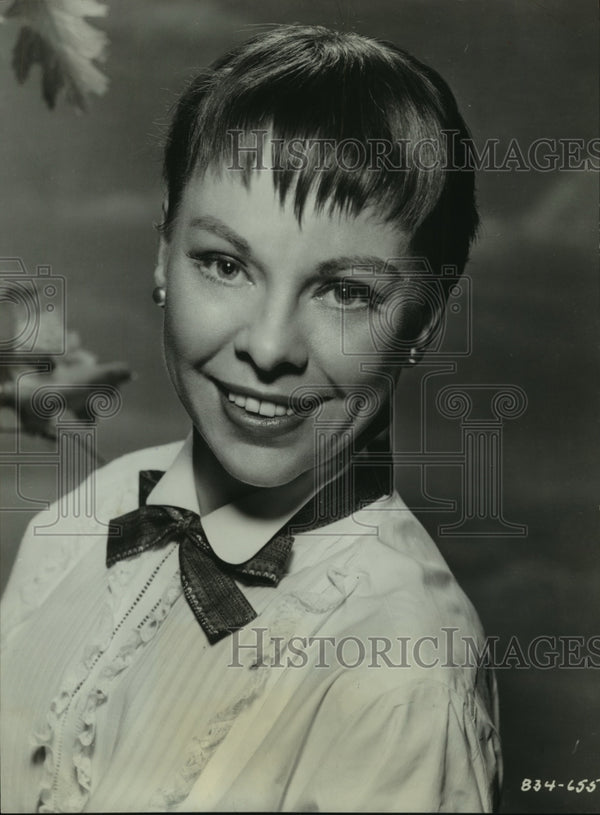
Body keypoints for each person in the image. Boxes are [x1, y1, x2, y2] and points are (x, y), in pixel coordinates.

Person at [1, 24, 502, 812]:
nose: (269, 348)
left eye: (345, 292)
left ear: (425, 321)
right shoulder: (75, 524)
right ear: (164, 251)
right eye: (226, 264)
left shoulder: (401, 677)